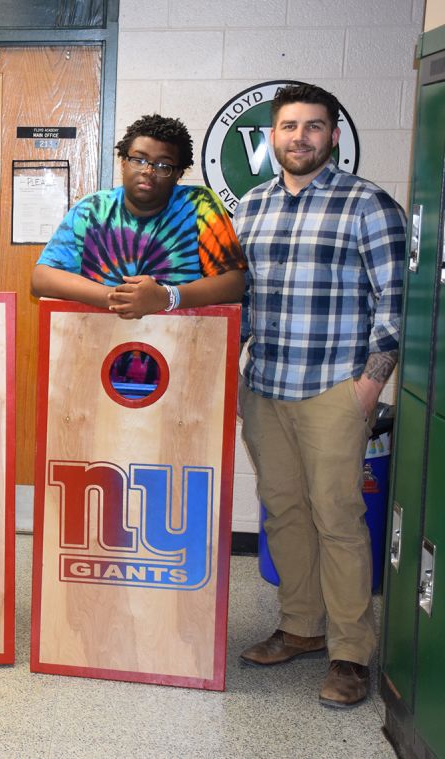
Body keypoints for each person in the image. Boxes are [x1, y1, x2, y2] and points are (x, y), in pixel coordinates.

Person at [235, 84, 405, 709]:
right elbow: (242, 303)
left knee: (337, 518)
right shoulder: (250, 207)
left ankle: (350, 653)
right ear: (272, 137)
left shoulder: (368, 204)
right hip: (265, 388)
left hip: (335, 387)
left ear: (333, 136)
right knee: (283, 512)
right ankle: (301, 627)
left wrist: (369, 385)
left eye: (313, 126)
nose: (300, 136)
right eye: (288, 126)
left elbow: (395, 303)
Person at [31, 114, 246, 317]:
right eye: (139, 160)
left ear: (179, 174)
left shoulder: (199, 205)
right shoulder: (93, 210)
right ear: (123, 163)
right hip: (98, 345)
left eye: (163, 165)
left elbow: (233, 283)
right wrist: (118, 298)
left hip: (181, 347)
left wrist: (166, 297)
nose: (148, 171)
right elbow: (41, 278)